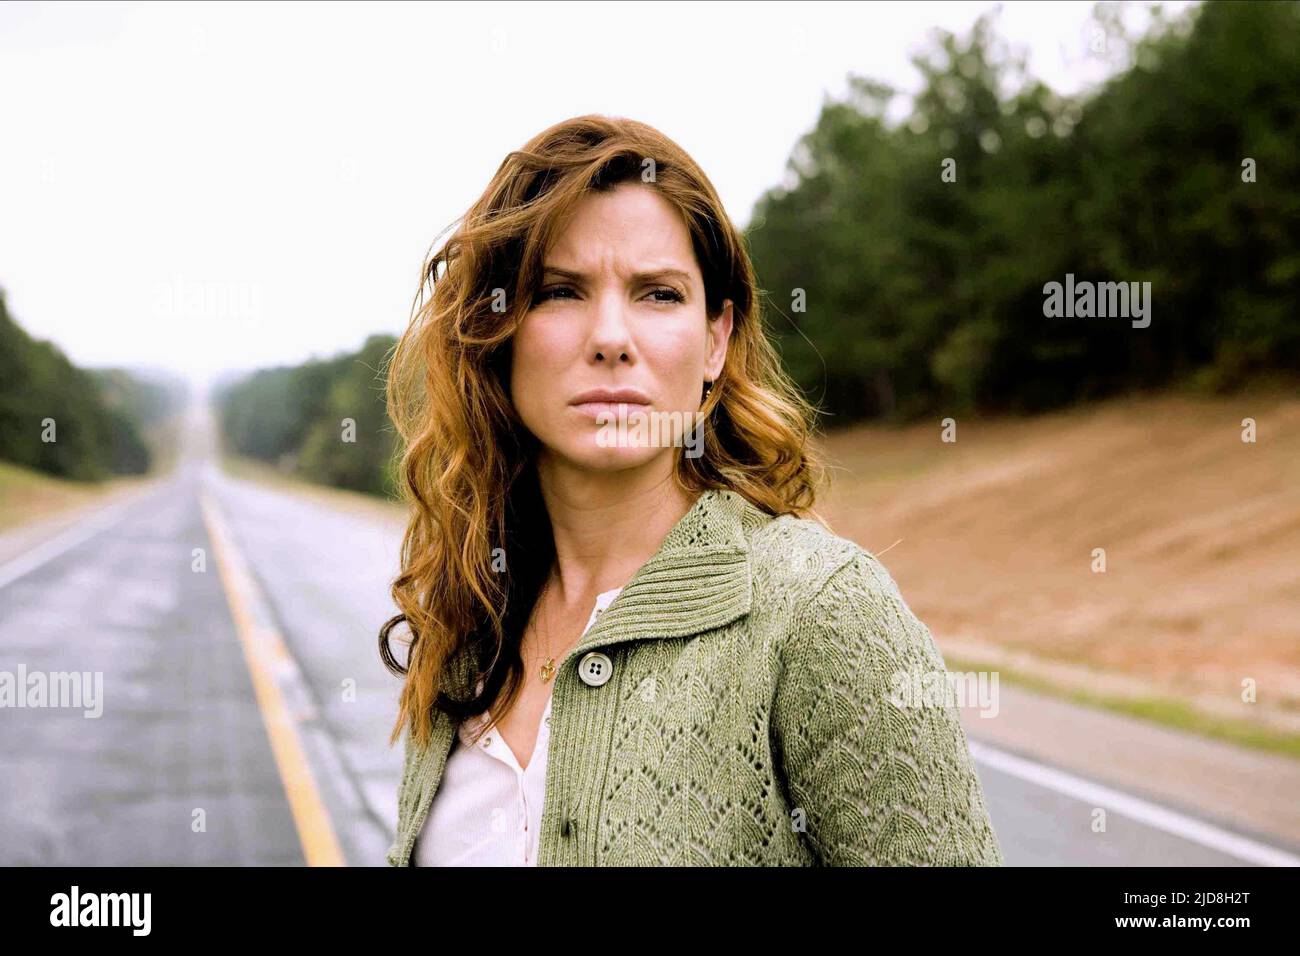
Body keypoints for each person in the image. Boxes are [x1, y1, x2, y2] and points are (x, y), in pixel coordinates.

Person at [378, 114, 1003, 866]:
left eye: (658, 294)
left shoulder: (819, 611)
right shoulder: (466, 618)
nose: (611, 338)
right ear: (498, 329)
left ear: (716, 341)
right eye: (560, 291)